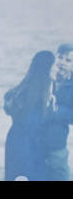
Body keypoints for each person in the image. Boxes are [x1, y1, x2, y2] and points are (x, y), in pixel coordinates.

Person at [4, 51, 68, 181]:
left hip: (35, 158)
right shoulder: (32, 98)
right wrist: (22, 173)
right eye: (55, 65)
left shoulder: (42, 93)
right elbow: (24, 137)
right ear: (46, 68)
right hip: (26, 161)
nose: (59, 67)